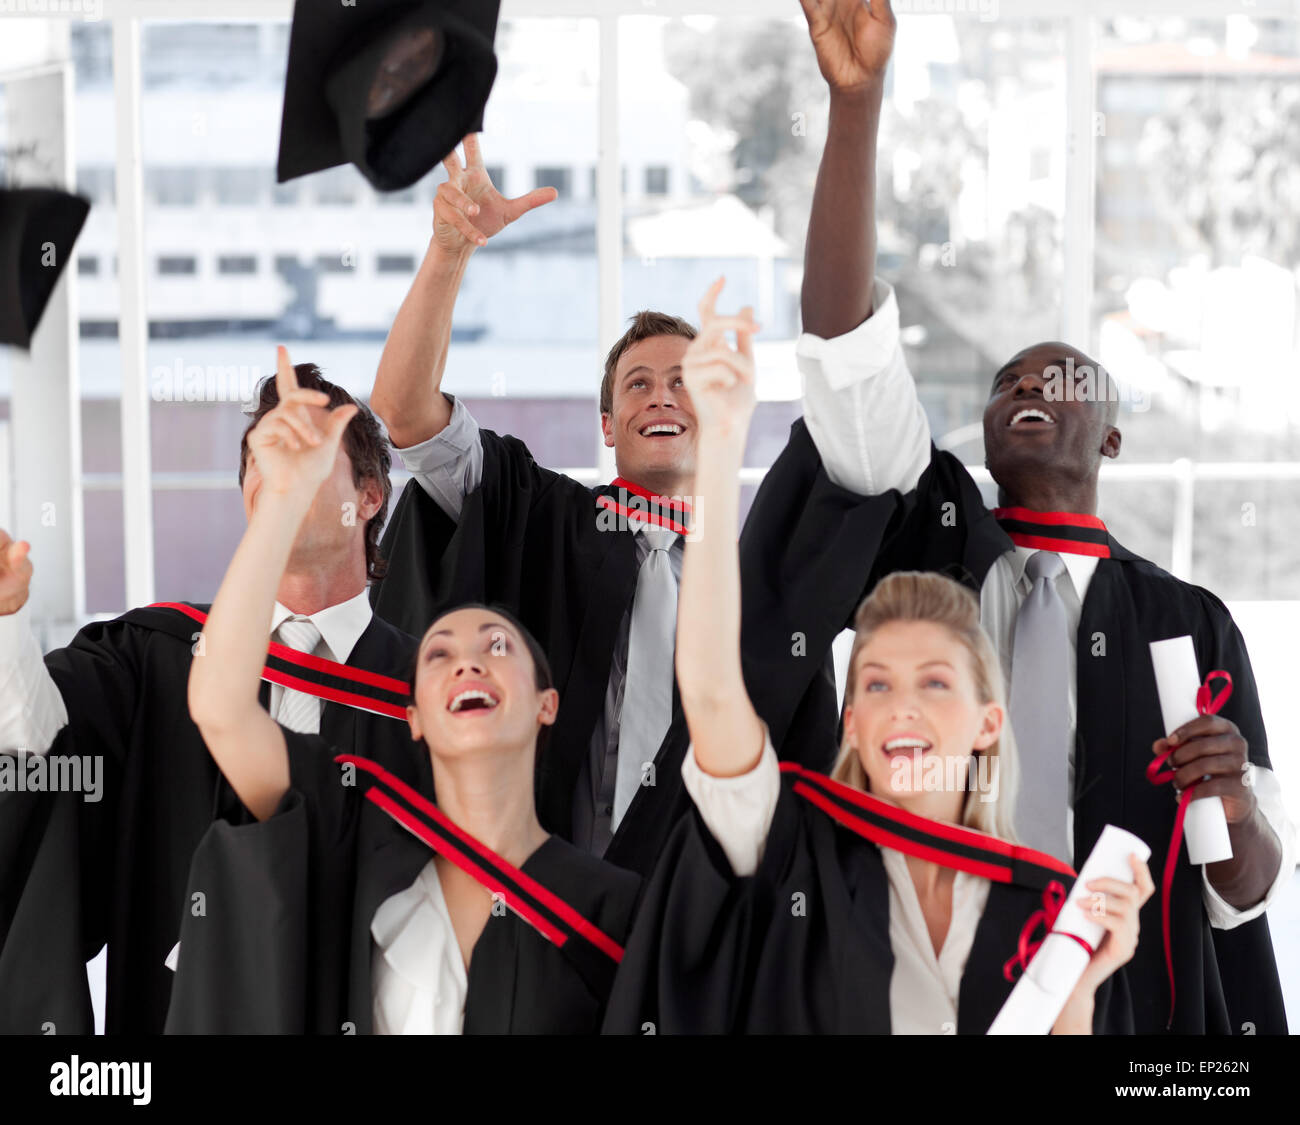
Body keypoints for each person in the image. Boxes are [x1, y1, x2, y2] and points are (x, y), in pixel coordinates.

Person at [755, 1, 1296, 1034]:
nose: (1030, 385)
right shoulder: (919, 553)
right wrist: (855, 104)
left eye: (1064, 378)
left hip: (1132, 1018)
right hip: (923, 988)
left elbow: (1240, 896)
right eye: (1007, 383)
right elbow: (845, 350)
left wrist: (1228, 805)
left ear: (1110, 437)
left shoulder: (1189, 624)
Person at [365, 0, 924, 878]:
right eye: (637, 384)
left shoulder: (764, 582)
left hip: (712, 933)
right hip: (546, 901)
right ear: (606, 423)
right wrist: (448, 254)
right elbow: (401, 414)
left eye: (685, 382)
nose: (662, 397)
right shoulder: (538, 516)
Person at [605, 282, 1152, 1035]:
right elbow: (709, 685)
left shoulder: (1042, 907)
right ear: (852, 722)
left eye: (935, 681)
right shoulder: (789, 843)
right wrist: (725, 439)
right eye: (877, 682)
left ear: (991, 719)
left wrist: (1080, 988)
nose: (905, 705)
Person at [169, 351, 639, 1033]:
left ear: (548, 702)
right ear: (412, 714)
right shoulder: (362, 835)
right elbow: (219, 705)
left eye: (498, 645)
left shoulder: (609, 907)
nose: (467, 662)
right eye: (440, 652)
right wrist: (280, 501)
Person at [0, 364, 419, 1034]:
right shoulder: (152, 655)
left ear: (369, 496)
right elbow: (35, 745)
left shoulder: (431, 694)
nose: (276, 474)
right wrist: (3, 622)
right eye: (261, 460)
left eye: (303, 454)